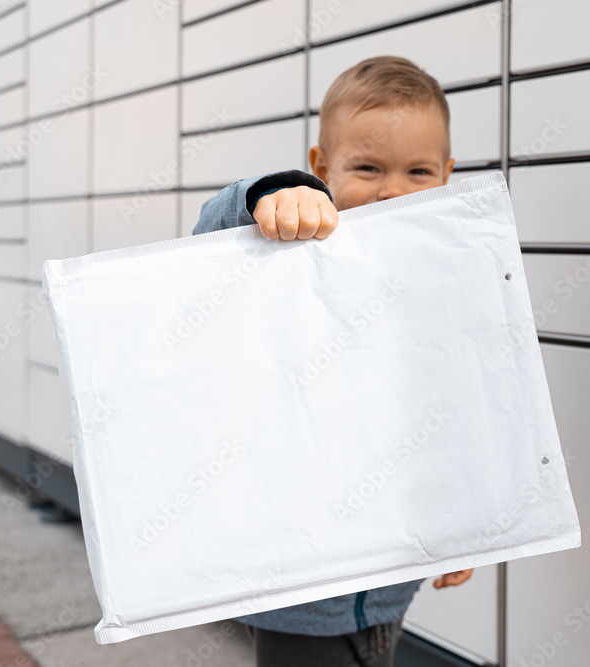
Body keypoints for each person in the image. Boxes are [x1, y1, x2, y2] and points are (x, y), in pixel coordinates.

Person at [191, 56, 474, 667]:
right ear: (322, 167)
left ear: (448, 175)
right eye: (368, 167)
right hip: (300, 580)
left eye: (418, 170)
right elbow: (210, 241)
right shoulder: (291, 250)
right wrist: (271, 194)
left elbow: (445, 405)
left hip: (390, 574)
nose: (393, 189)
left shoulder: (430, 275)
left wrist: (467, 521)